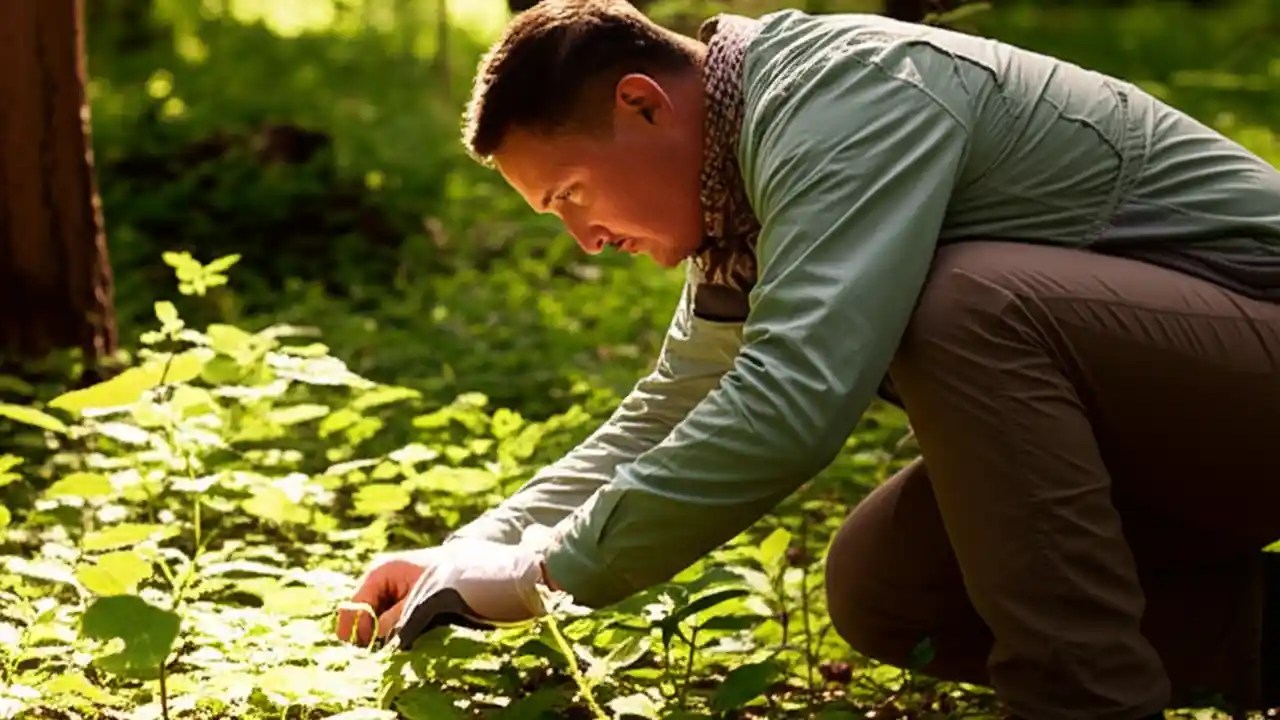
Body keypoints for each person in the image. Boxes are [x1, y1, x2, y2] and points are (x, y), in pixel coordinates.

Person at [335, 0, 1280, 716]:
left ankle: (1085, 702)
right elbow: (677, 401)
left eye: (572, 194)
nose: (585, 238)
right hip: (1195, 429)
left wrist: (546, 573)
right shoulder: (742, 185)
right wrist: (473, 551)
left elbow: (791, 401)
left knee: (968, 304)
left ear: (642, 103)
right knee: (886, 587)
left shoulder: (844, 101)